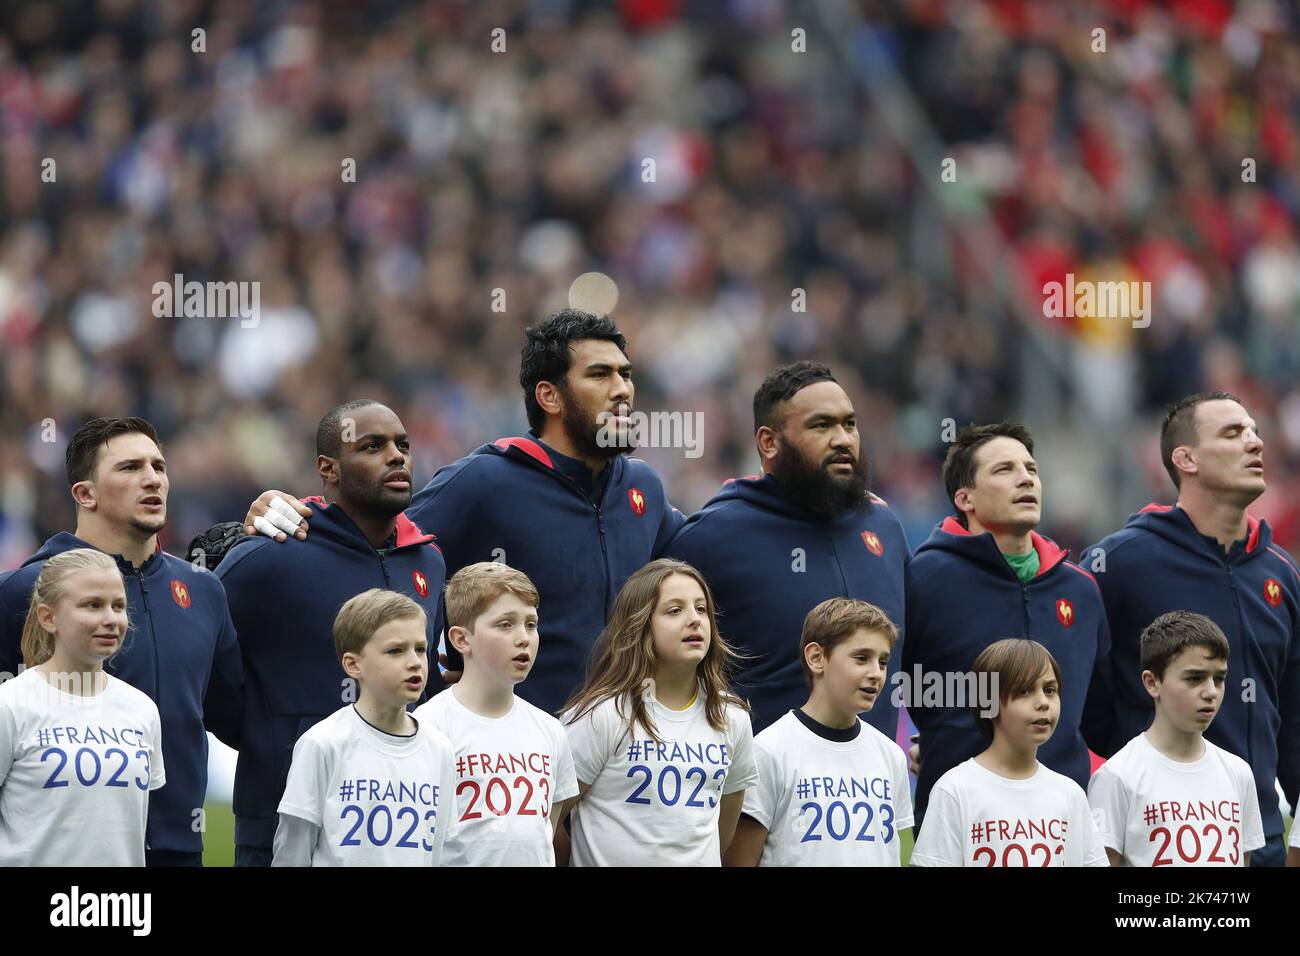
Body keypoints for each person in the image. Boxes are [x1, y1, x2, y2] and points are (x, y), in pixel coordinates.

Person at [238, 310, 684, 714]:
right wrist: (291, 512)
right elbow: (380, 547)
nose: (623, 389)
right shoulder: (486, 481)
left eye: (626, 374)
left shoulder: (642, 487)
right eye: (601, 375)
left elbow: (708, 554)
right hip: (514, 764)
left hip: (622, 761)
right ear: (549, 396)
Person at [0, 417, 239, 867]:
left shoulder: (204, 590)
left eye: (158, 466)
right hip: (64, 856)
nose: (152, 479)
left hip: (180, 851)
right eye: (129, 468)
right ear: (84, 494)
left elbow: (238, 718)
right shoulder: (23, 590)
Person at [217, 400, 446, 867]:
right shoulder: (271, 556)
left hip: (397, 824)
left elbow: (426, 687)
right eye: (373, 446)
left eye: (402, 445)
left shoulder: (428, 561)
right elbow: (204, 662)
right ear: (329, 468)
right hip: (280, 822)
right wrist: (269, 733)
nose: (397, 456)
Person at [1085, 392, 1300, 866]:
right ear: (1186, 459)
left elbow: (1293, 718)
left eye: (1255, 432)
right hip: (1155, 840)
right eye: (1233, 433)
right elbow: (1081, 694)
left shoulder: (1281, 575)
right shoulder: (1119, 563)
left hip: (1259, 837)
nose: (1256, 444)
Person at [663, 361, 908, 736]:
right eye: (821, 425)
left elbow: (923, 653)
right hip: (757, 788)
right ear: (769, 442)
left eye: (850, 424)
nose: (843, 439)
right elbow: (659, 668)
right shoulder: (713, 536)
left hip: (873, 788)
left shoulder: (884, 528)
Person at [903, 423, 1110, 826]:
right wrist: (941, 733)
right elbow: (897, 679)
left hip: (1062, 822)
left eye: (1031, 469)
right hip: (961, 820)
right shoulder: (925, 579)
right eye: (1004, 470)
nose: (1025, 478)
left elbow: (1099, 712)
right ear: (965, 498)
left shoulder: (1082, 589)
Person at [562, 559, 758, 866]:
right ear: (639, 625)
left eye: (701, 608)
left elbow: (725, 826)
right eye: (675, 610)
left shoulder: (731, 717)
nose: (694, 620)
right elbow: (548, 822)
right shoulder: (601, 715)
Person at [0, 549, 165, 866]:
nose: (110, 619)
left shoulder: (141, 709)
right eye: (92, 605)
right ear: (49, 618)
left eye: (118, 606)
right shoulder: (12, 704)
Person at [272, 589, 456, 866]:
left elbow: (439, 850)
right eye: (395, 651)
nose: (414, 662)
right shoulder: (323, 743)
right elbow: (293, 849)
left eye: (420, 649)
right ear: (353, 664)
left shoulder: (440, 749)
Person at [725, 598, 912, 867]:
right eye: (862, 658)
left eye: (883, 662)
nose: (876, 673)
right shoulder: (768, 751)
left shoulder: (891, 755)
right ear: (816, 658)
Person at [413, 562, 578, 865]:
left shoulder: (549, 730)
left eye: (531, 624)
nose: (524, 638)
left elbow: (547, 831)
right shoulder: (429, 726)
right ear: (462, 639)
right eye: (505, 624)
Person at [910, 639, 1108, 867]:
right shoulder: (955, 790)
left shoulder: (1070, 794)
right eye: (1025, 691)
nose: (1043, 702)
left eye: (1050, 690)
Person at [1087, 611, 1263, 866]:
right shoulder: (1117, 776)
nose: (1211, 692)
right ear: (1152, 683)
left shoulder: (1239, 773)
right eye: (1194, 678)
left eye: (1219, 678)